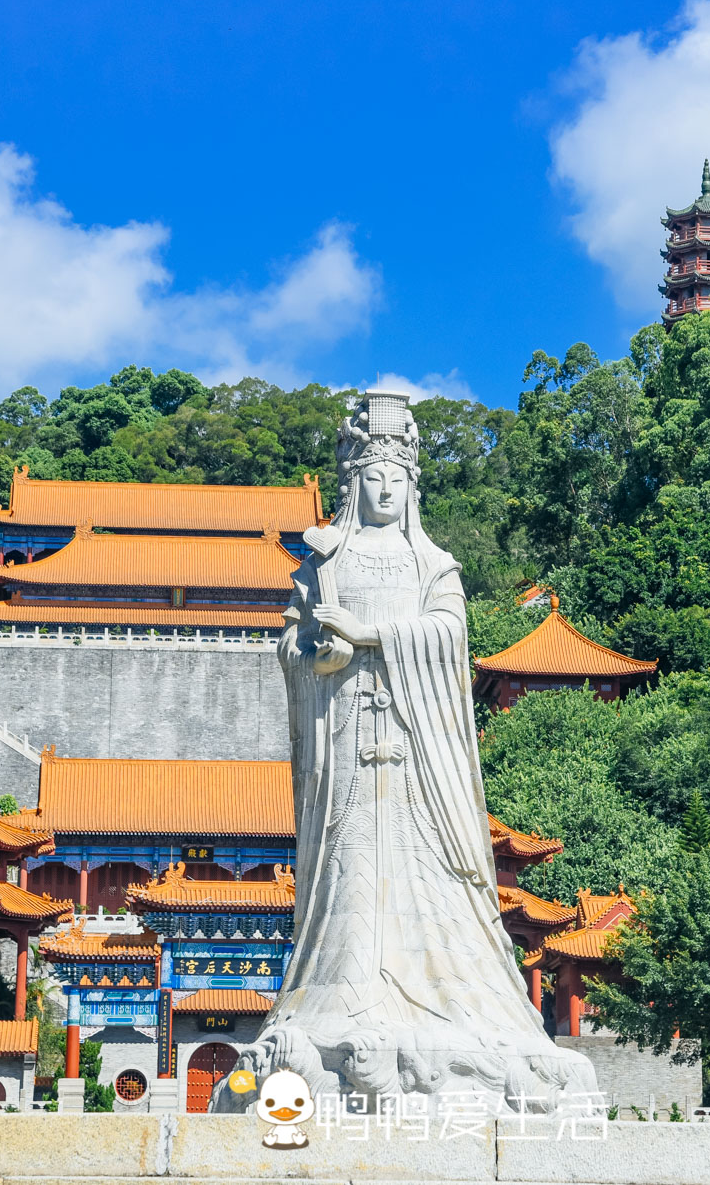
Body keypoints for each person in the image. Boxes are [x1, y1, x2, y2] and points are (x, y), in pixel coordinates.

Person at [220, 387, 596, 1113]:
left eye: (396, 477)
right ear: (351, 483)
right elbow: (292, 645)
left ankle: (453, 1007)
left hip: (419, 758)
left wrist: (371, 637)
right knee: (350, 878)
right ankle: (338, 1005)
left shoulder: (434, 565)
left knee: (434, 885)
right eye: (371, 477)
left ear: (412, 484)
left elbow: (451, 640)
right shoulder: (324, 557)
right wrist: (319, 654)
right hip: (350, 754)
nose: (385, 488)